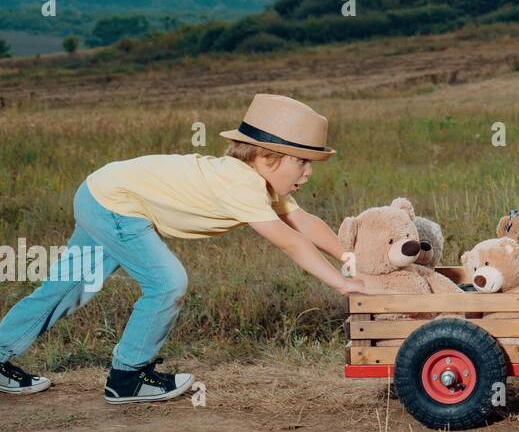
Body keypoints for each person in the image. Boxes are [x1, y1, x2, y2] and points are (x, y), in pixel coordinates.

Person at [0, 93, 371, 401]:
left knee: (68, 286)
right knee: (167, 283)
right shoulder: (241, 184)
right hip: (116, 203)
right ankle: (128, 378)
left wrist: (349, 258)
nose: (308, 173)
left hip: (101, 192)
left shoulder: (258, 183)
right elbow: (290, 241)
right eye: (303, 161)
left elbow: (304, 222)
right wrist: (341, 283)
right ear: (265, 156)